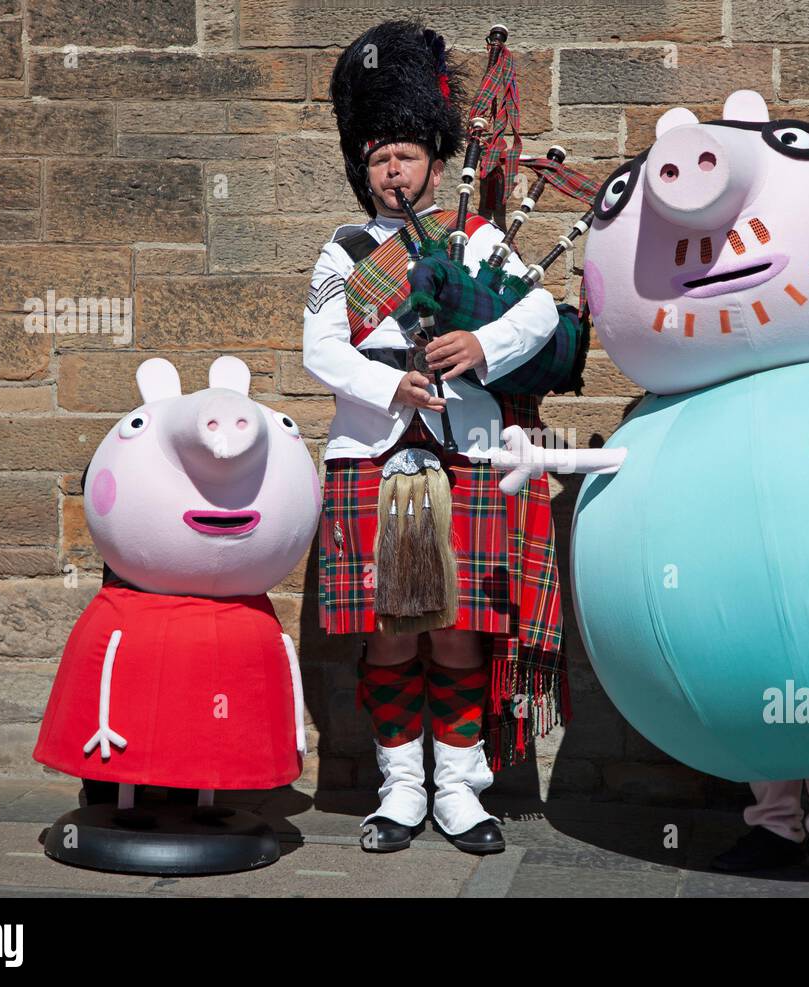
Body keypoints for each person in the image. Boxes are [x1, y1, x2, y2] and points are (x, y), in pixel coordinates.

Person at [302, 19, 569, 856]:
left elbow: (539, 312)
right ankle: (400, 789)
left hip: (466, 454)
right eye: (379, 157)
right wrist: (392, 383)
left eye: (407, 156)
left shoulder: (476, 237)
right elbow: (320, 347)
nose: (393, 170)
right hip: (374, 455)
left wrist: (480, 344)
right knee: (390, 625)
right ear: (364, 167)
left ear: (434, 161)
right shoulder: (341, 254)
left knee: (457, 629)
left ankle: (459, 789)